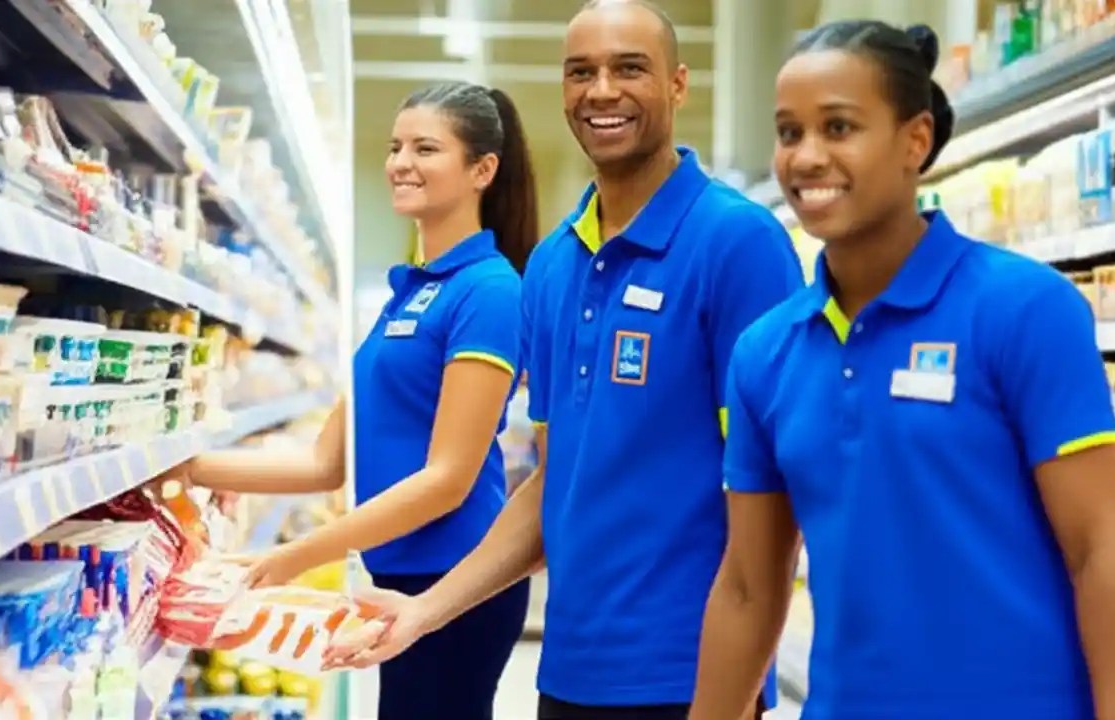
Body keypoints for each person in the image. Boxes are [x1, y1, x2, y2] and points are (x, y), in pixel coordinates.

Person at [325, 2, 803, 718]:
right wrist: (424, 612)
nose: (601, 91)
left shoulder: (738, 243)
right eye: (581, 72)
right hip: (570, 676)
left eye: (628, 69)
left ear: (677, 85)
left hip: (691, 677)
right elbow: (551, 487)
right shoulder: (551, 266)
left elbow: (774, 495)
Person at [691, 20, 1115, 720]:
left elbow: (1100, 553)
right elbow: (749, 589)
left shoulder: (1024, 309)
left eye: (839, 127)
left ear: (916, 140)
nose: (807, 157)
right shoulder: (765, 353)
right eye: (790, 133)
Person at [170, 81, 539, 720]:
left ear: (483, 169)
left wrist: (295, 556)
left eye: (426, 148)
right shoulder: (406, 295)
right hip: (399, 576)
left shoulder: (489, 291)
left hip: (455, 584)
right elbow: (325, 463)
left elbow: (447, 481)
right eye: (396, 146)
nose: (401, 162)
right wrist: (180, 467)